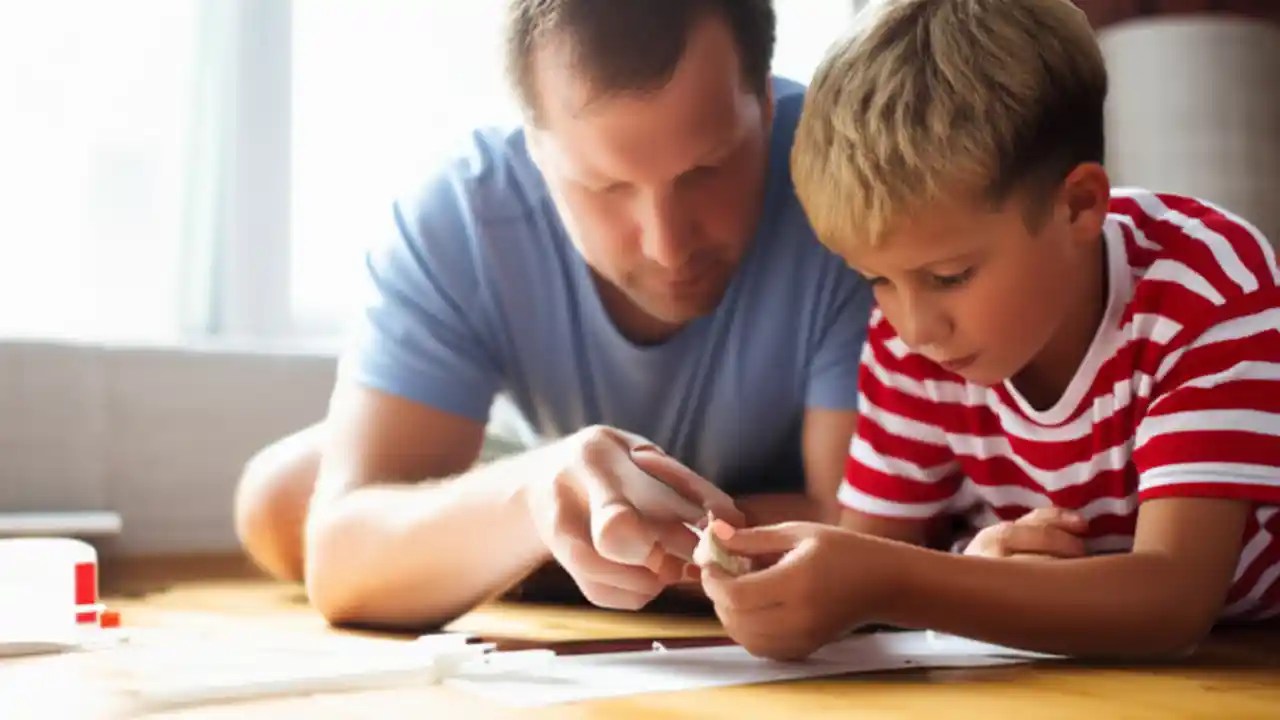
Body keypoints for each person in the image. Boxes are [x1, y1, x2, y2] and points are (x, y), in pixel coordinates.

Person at [233, 0, 873, 627]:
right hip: (557, 455)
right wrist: (537, 495)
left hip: (778, 481)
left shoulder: (849, 184)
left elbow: (856, 526)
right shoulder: (465, 215)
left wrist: (570, 533)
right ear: (534, 146)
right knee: (277, 498)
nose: (666, 245)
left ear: (764, 103)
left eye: (706, 171)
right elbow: (342, 564)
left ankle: (562, 545)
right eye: (607, 187)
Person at [700, 0, 1280, 661]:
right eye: (876, 280)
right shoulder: (908, 338)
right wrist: (961, 569)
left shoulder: (1205, 286)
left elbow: (1174, 600)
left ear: (1078, 206)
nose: (915, 327)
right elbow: (875, 550)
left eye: (949, 275)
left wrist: (918, 584)